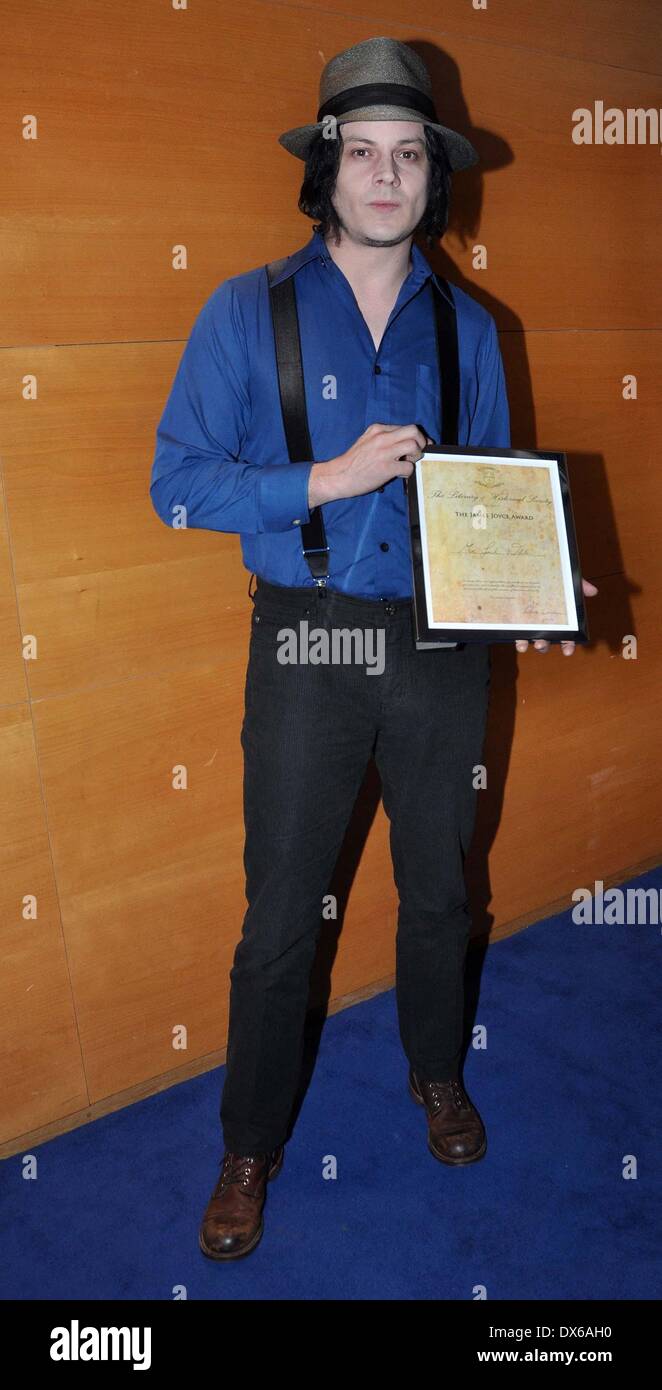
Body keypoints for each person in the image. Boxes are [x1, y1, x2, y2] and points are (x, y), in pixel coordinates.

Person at [150, 36, 597, 1262]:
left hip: (443, 653)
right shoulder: (244, 310)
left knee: (443, 886)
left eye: (408, 154)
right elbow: (172, 487)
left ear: (430, 179)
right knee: (282, 912)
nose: (386, 174)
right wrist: (322, 478)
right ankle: (247, 1144)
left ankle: (435, 1073)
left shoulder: (471, 324)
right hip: (304, 646)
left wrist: (534, 587)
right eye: (363, 151)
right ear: (325, 169)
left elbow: (491, 490)